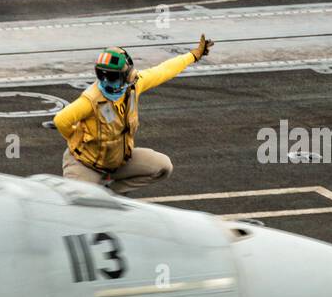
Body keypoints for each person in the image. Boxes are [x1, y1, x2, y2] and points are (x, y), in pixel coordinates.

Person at [54, 35, 213, 195]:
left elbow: (164, 70)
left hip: (118, 162)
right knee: (78, 207)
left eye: (113, 77)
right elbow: (61, 120)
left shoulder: (134, 86)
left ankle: (112, 194)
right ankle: (98, 194)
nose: (109, 81)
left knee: (163, 167)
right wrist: (77, 139)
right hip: (85, 165)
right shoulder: (90, 100)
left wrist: (194, 55)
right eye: (106, 76)